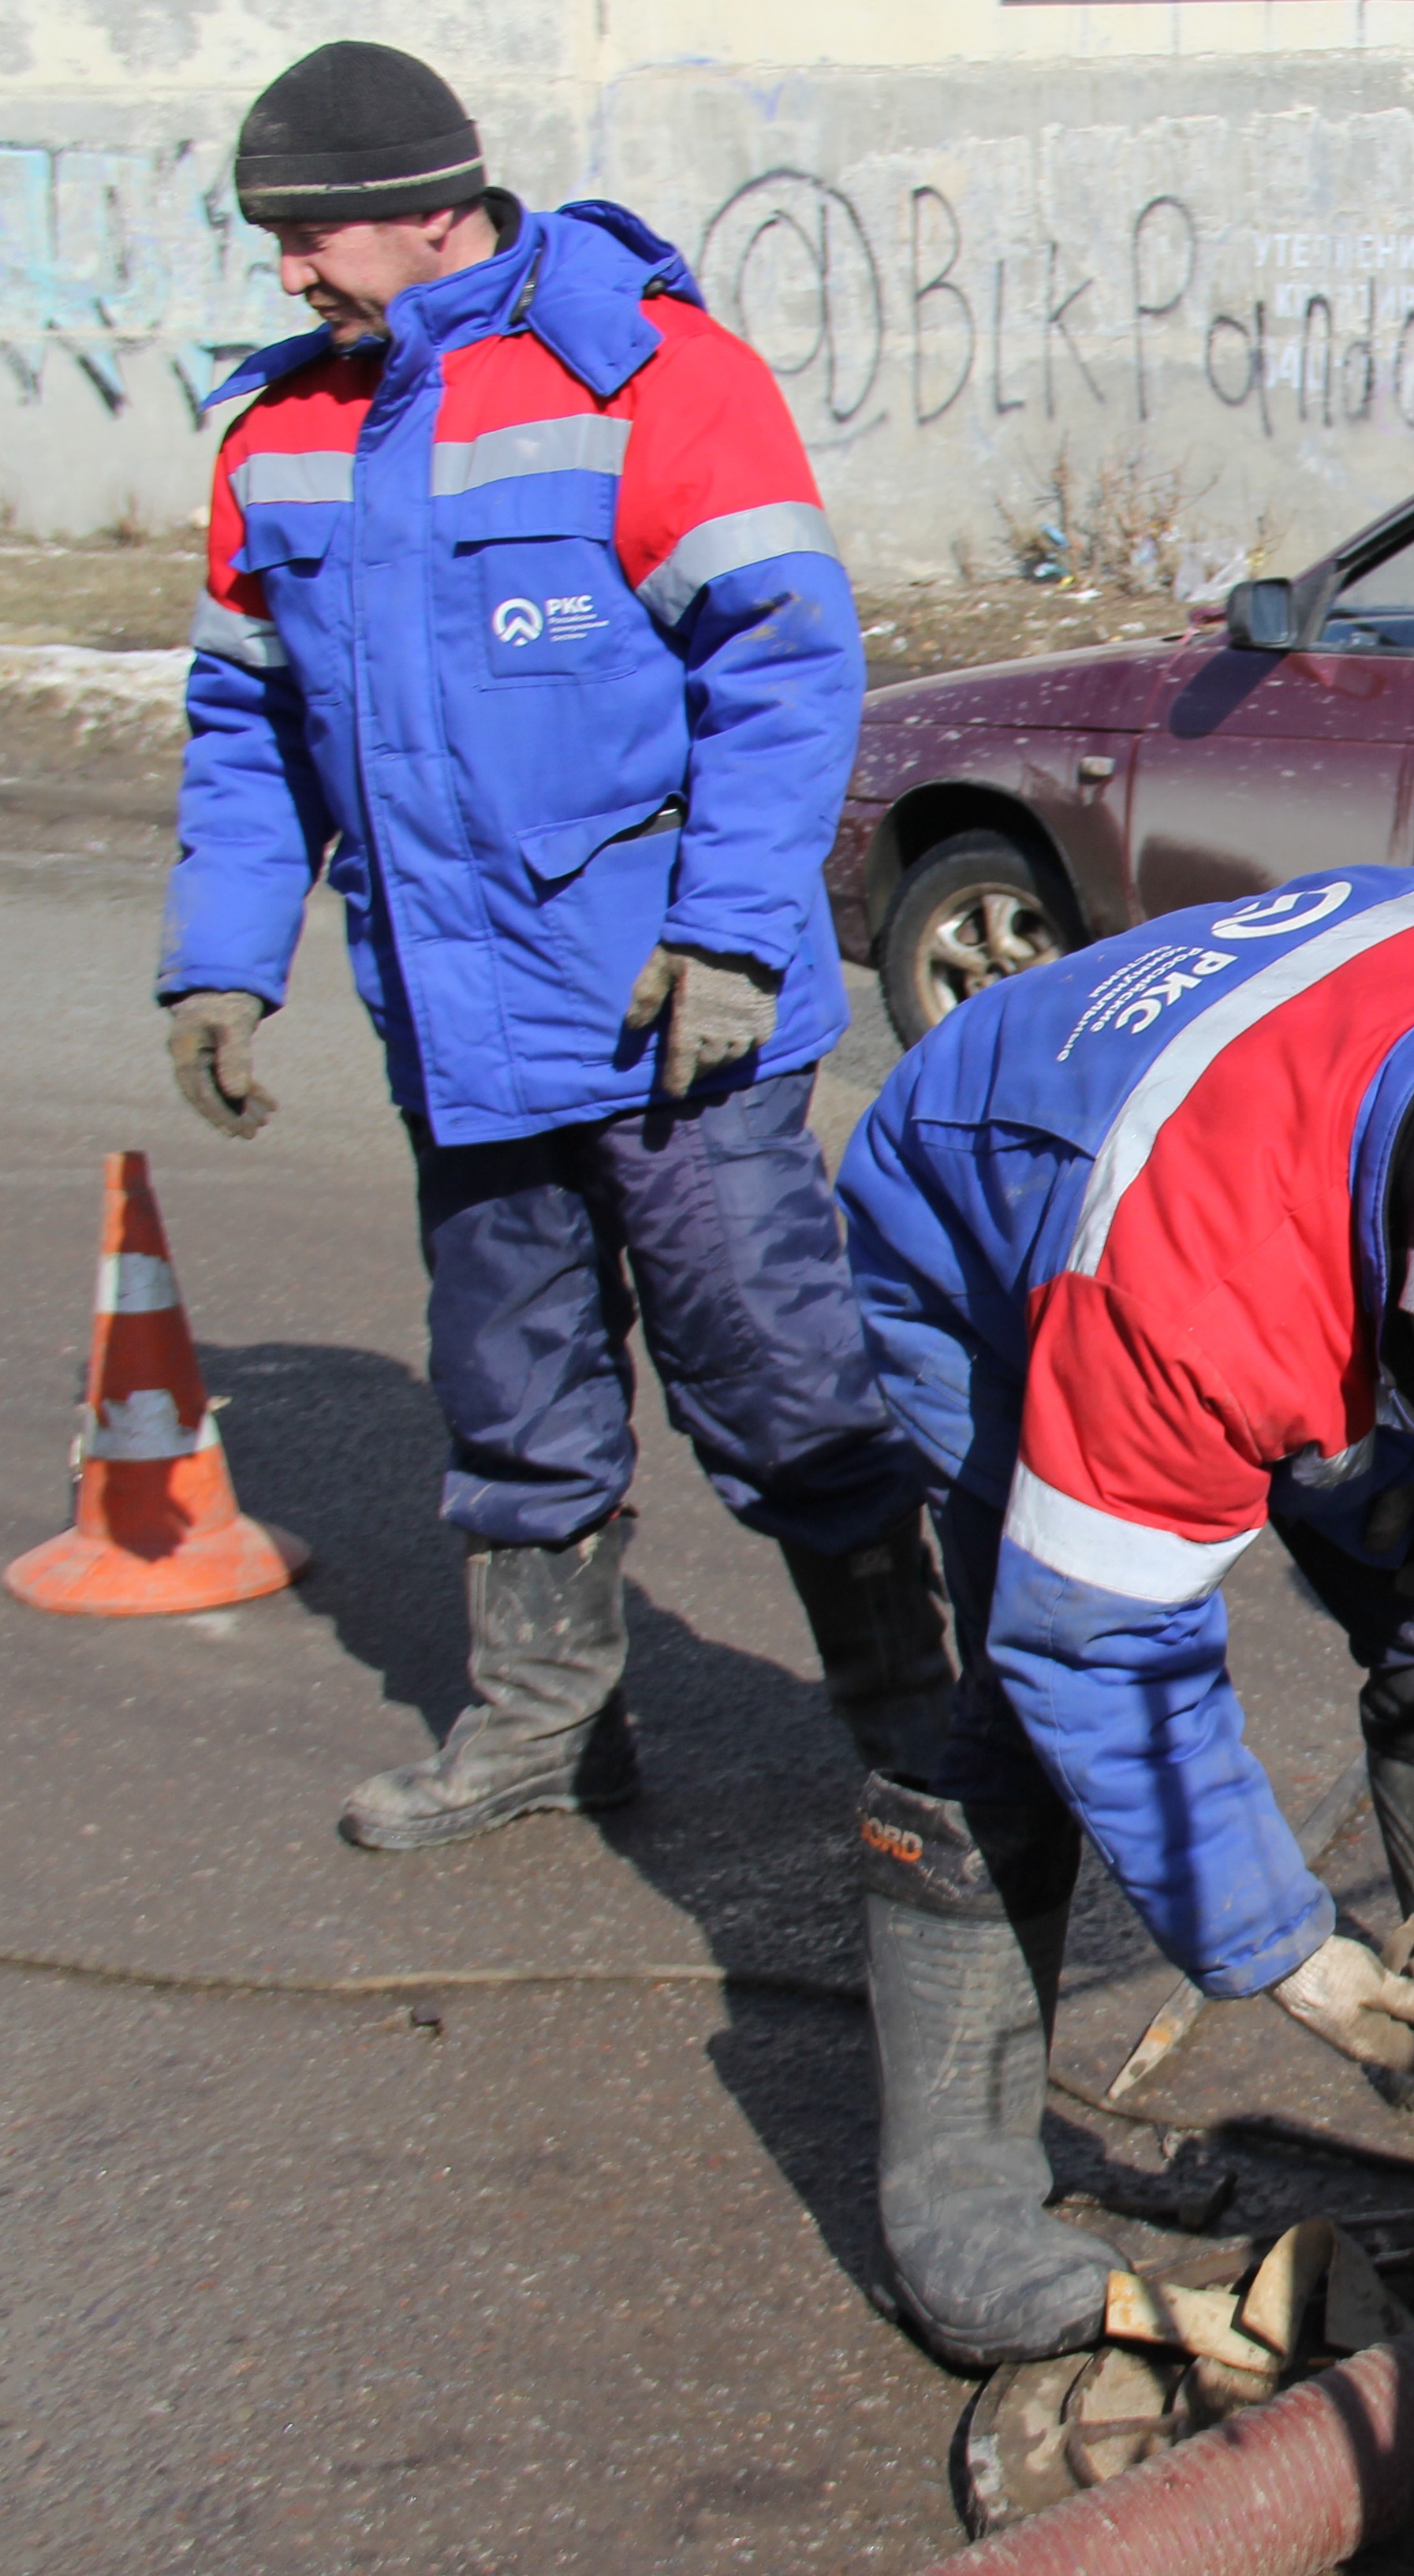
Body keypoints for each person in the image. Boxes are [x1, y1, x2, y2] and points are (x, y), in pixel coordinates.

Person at [154, 44, 944, 1850]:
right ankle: (544, 1730)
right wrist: (220, 958)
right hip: (458, 1028)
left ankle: (922, 1735)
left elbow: (784, 666)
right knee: (512, 1390)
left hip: (674, 1024)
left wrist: (736, 938)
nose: (287, 272)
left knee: (782, 1387)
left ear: (436, 204)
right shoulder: (281, 433)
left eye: (313, 234)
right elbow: (245, 721)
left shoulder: (649, 368)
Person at [835, 866, 1414, 2365]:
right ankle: (961, 2191)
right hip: (988, 1218)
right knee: (1020, 1696)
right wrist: (1274, 1945)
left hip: (1301, 1151)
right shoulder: (1189, 1290)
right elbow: (1100, 1651)